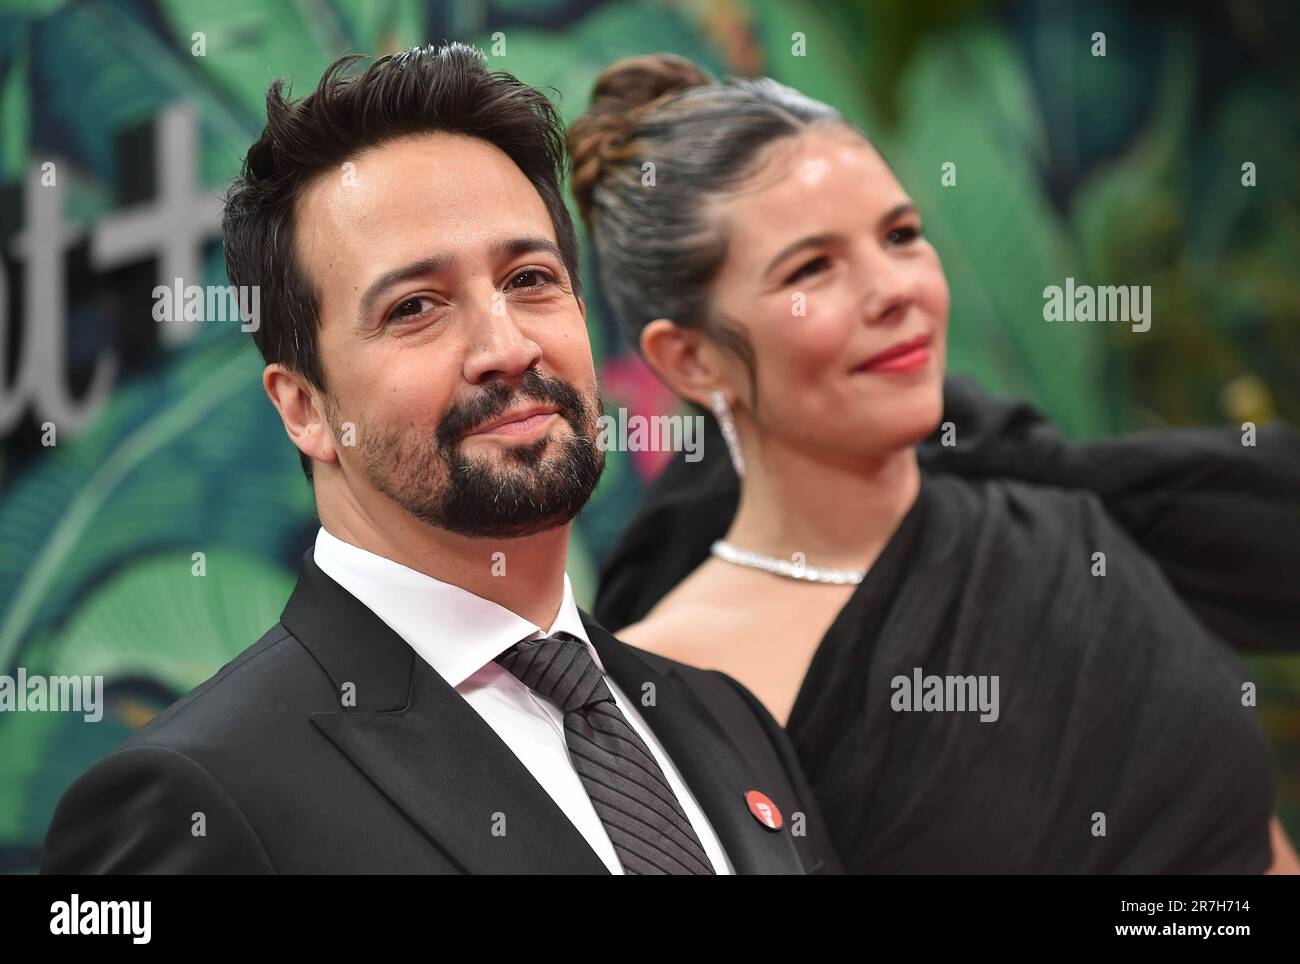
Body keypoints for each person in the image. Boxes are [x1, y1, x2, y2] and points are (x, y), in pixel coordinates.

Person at [38, 44, 841, 876]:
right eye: (415, 306)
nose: (507, 346)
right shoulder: (195, 795)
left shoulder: (726, 722)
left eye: (530, 278)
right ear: (303, 406)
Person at [570, 53, 1300, 873]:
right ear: (693, 360)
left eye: (902, 236)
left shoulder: (1072, 538)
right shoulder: (671, 691)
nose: (894, 289)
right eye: (812, 269)